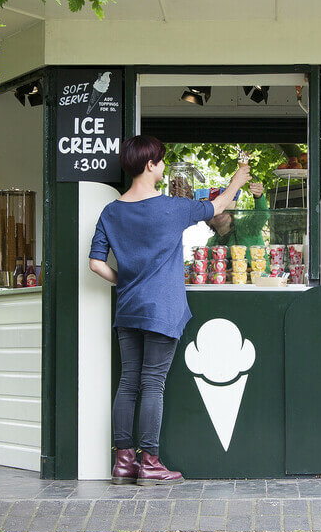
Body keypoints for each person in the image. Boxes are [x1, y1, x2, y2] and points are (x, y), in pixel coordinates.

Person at [89, 135, 249, 485]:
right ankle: (149, 463)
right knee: (152, 384)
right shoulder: (173, 207)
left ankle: (123, 462)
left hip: (128, 309)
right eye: (161, 161)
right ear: (150, 165)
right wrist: (238, 179)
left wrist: (126, 281)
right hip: (162, 308)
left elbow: (95, 264)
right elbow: (218, 207)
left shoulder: (111, 212)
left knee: (129, 382)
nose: (163, 166)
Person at [205, 181, 269, 247]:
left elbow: (262, 216)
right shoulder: (211, 244)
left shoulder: (246, 225)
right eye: (213, 210)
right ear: (207, 220)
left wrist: (258, 196)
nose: (218, 213)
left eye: (221, 207)